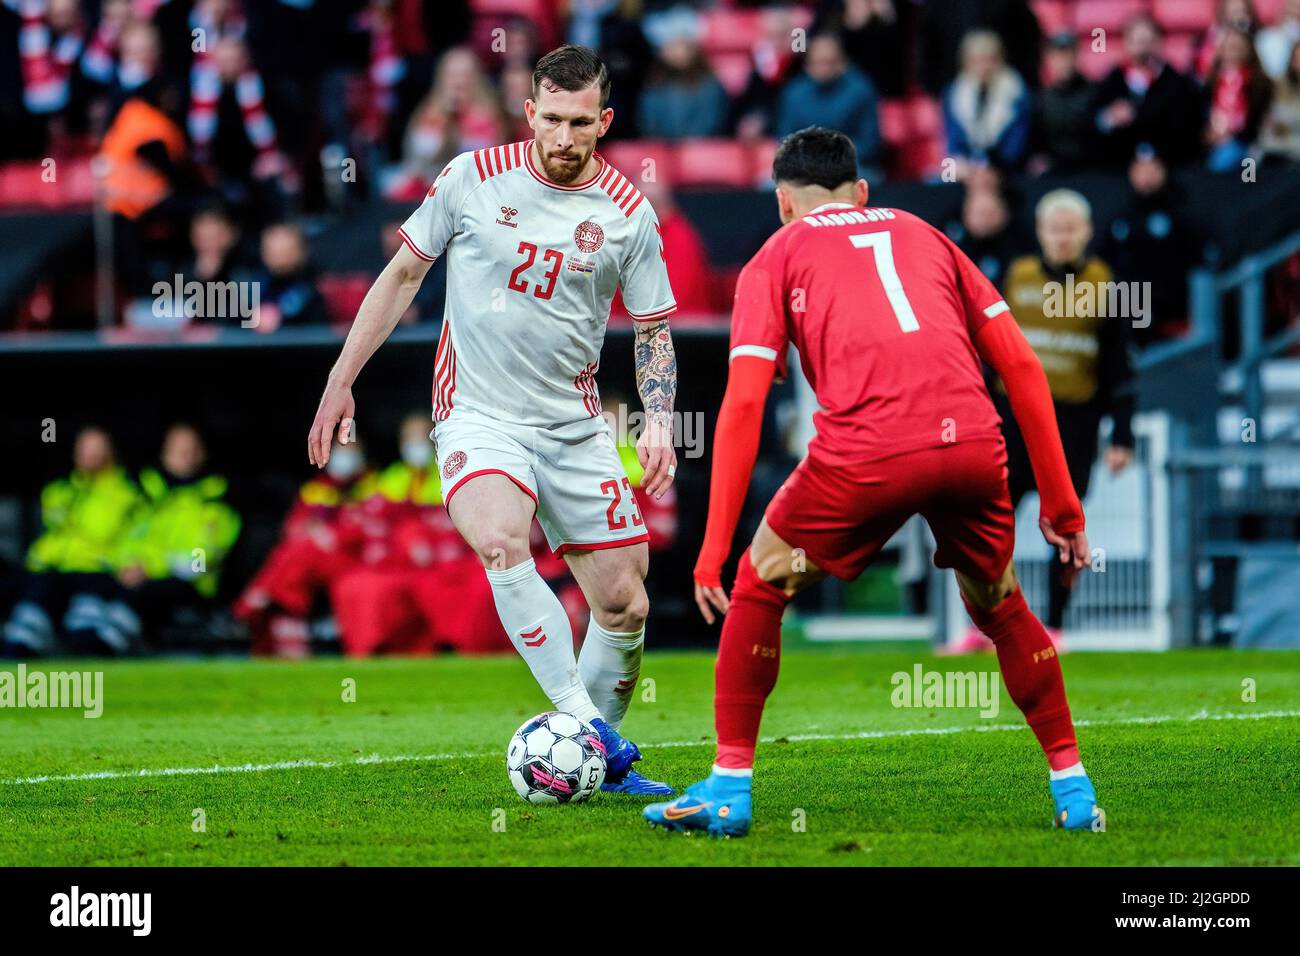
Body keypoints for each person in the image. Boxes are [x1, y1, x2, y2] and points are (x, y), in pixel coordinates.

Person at [644, 127, 1104, 837]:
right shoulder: (925, 232)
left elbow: (742, 402)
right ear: (861, 192)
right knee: (1000, 602)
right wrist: (1065, 504)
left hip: (869, 453)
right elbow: (1020, 366)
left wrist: (713, 552)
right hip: (973, 445)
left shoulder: (777, 253)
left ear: (783, 204)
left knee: (761, 582)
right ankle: (1072, 785)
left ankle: (729, 787)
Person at [306, 45, 679, 797]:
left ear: (604, 121)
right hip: (478, 412)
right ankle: (594, 734)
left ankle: (594, 761)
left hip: (574, 425)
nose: (565, 138)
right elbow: (404, 274)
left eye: (581, 123)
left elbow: (653, 330)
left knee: (624, 600)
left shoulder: (629, 215)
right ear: (529, 112)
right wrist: (341, 379)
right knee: (503, 542)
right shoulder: (471, 179)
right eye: (552, 119)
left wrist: (661, 418)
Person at [993, 190, 1135, 637]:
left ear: (1087, 232)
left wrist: (1122, 436)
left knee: (1064, 526)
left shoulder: (1106, 283)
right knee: (994, 523)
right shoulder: (1016, 277)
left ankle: (1054, 626)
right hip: (1013, 422)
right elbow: (987, 351)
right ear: (1040, 233)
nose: (1062, 238)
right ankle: (993, 621)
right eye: (1055, 229)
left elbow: (1119, 368)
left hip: (1073, 423)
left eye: (1071, 229)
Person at [2, 426, 139, 657]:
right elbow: (53, 536)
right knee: (25, 626)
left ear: (111, 453)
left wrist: (132, 561)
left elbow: (134, 537)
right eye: (85, 448)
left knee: (85, 633)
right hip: (51, 573)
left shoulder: (127, 494)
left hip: (97, 573)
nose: (90, 454)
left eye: (97, 448)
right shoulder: (59, 491)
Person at [1091, 15, 1206, 168]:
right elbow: (1092, 121)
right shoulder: (1114, 79)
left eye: (1148, 42)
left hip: (1168, 167)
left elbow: (1186, 129)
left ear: (1159, 43)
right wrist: (1109, 118)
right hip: (1119, 168)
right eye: (1137, 42)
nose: (1142, 49)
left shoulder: (1177, 82)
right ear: (1126, 44)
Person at [775, 33, 883, 178]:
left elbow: (870, 143)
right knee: (769, 185)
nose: (824, 69)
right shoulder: (793, 93)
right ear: (808, 65)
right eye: (818, 63)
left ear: (842, 62)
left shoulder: (861, 90)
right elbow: (785, 140)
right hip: (805, 170)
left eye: (829, 62)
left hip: (852, 168)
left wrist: (832, 161)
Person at [943, 30, 1031, 172]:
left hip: (1005, 171)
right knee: (943, 182)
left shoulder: (1016, 92)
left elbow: (1016, 148)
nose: (984, 68)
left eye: (990, 60)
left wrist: (987, 166)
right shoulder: (954, 93)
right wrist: (954, 171)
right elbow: (950, 146)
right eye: (977, 61)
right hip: (965, 171)